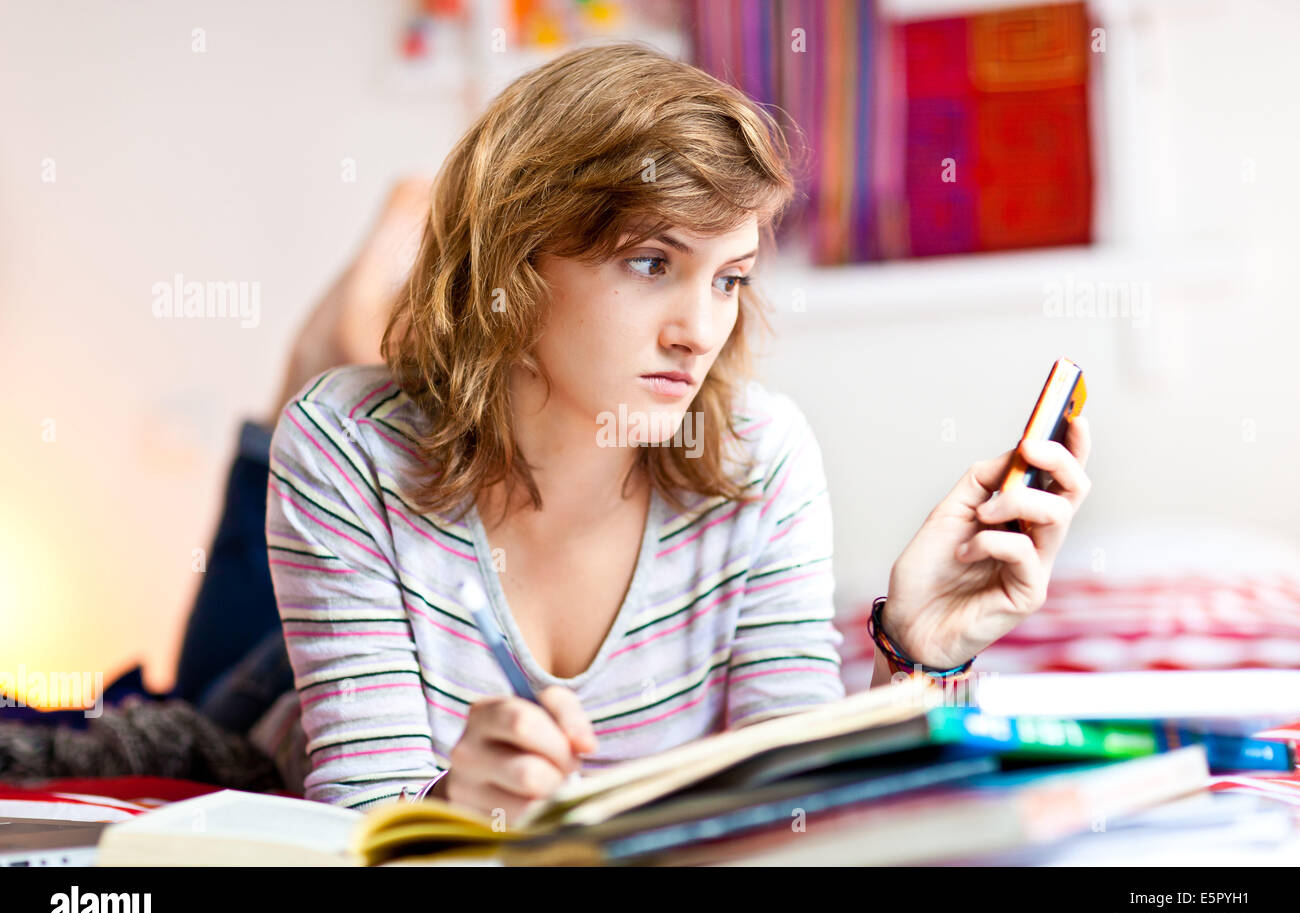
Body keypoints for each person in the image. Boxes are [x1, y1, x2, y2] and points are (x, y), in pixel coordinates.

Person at [264, 41, 1093, 820]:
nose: (700, 332)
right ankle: (349, 322)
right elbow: (363, 826)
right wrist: (455, 812)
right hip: (271, 686)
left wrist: (918, 651)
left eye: (730, 279)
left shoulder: (761, 457)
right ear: (515, 264)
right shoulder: (343, 450)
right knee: (249, 554)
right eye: (653, 264)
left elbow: (799, 816)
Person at [0, 179, 430, 788]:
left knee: (222, 676)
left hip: (225, 698)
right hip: (233, 698)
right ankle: (324, 362)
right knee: (229, 673)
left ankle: (328, 366)